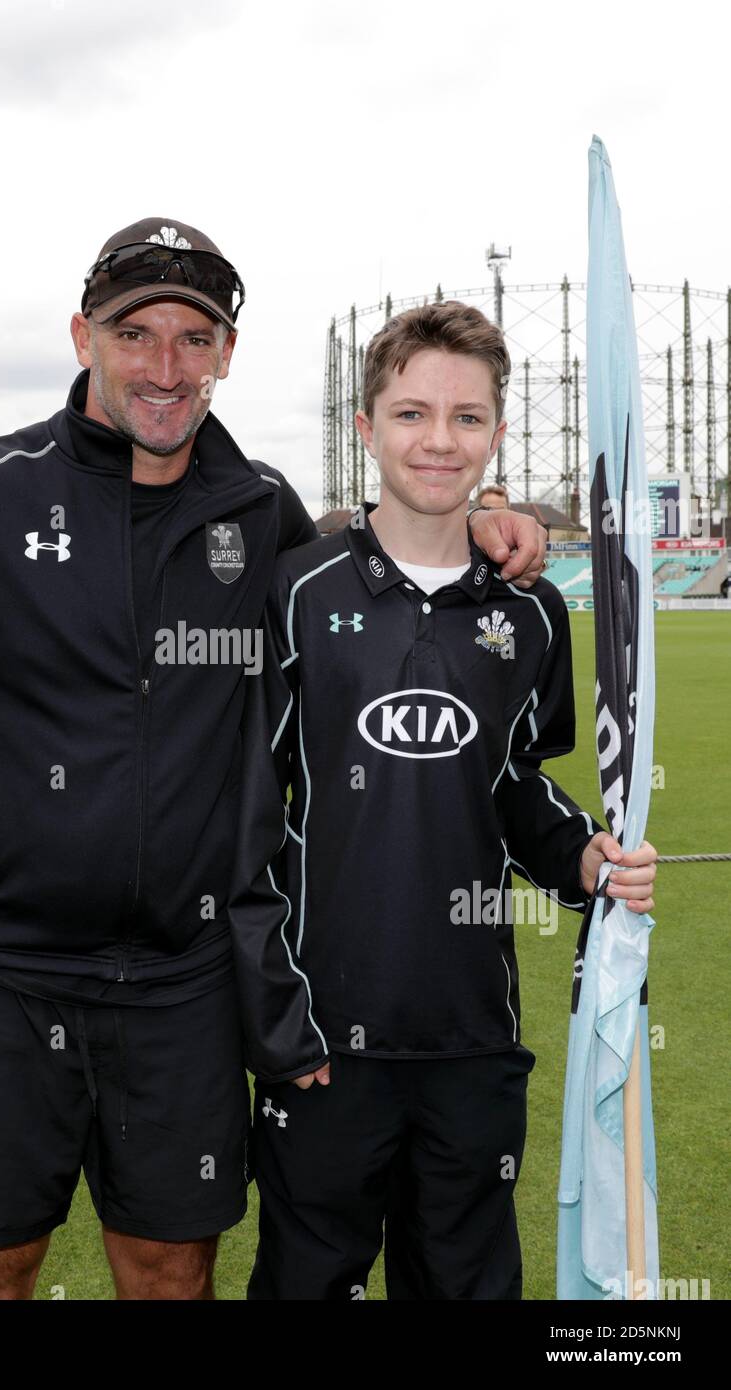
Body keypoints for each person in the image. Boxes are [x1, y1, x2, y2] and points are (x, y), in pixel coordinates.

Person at [0, 223, 550, 1301]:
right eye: (135, 332)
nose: (164, 366)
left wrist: (489, 516)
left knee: (168, 1270)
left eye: (192, 337)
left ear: (225, 352)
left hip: (186, 983)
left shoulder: (258, 511)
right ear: (83, 337)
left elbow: (384, 560)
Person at [229, 300, 657, 1301]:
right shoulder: (293, 591)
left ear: (495, 437)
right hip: (323, 1040)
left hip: (471, 1038)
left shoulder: (532, 611)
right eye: (411, 413)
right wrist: (276, 1024)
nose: (438, 439)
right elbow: (244, 821)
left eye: (466, 418)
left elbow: (509, 786)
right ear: (365, 428)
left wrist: (585, 858)